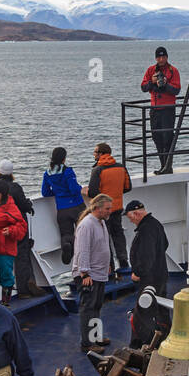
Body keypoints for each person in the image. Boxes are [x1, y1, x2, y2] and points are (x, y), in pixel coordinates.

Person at [72, 195, 114, 353]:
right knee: (88, 307)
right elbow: (82, 250)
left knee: (96, 306)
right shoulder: (87, 225)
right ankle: (87, 343)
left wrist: (107, 265)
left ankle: (96, 336)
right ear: (97, 208)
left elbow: (102, 245)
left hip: (99, 272)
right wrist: (84, 273)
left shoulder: (101, 222)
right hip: (89, 275)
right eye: (107, 208)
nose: (110, 211)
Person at [82, 143, 133, 271]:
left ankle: (109, 266)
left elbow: (93, 192)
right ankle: (123, 262)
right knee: (118, 234)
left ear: (101, 154)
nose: (93, 154)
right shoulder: (121, 167)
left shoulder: (98, 170)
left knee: (105, 237)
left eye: (95, 152)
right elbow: (128, 187)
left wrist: (85, 192)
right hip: (117, 207)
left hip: (103, 210)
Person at [0, 160, 38, 296]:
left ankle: (6, 291)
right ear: (11, 173)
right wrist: (29, 204)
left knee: (5, 259)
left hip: (2, 226)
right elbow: (24, 206)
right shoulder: (15, 187)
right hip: (17, 227)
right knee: (21, 257)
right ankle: (24, 290)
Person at [140, 46, 181, 173]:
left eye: (163, 56)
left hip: (168, 109)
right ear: (156, 58)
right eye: (159, 57)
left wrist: (165, 84)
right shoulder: (150, 70)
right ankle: (163, 165)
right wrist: (153, 83)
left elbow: (177, 90)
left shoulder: (173, 71)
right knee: (156, 137)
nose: (161, 59)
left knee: (167, 137)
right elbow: (143, 87)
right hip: (155, 109)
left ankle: (168, 166)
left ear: (167, 57)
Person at [42, 147, 84, 264]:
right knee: (83, 231)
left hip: (62, 208)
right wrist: (81, 188)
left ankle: (66, 244)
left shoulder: (47, 173)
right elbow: (74, 189)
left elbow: (45, 192)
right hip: (77, 206)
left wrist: (58, 194)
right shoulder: (68, 172)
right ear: (64, 159)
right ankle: (81, 255)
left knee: (66, 234)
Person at [126, 200, 169, 298]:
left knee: (148, 309)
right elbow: (165, 244)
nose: (130, 221)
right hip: (160, 274)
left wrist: (138, 273)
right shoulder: (156, 223)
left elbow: (147, 255)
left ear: (136, 214)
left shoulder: (145, 229)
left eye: (130, 217)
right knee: (161, 307)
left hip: (150, 279)